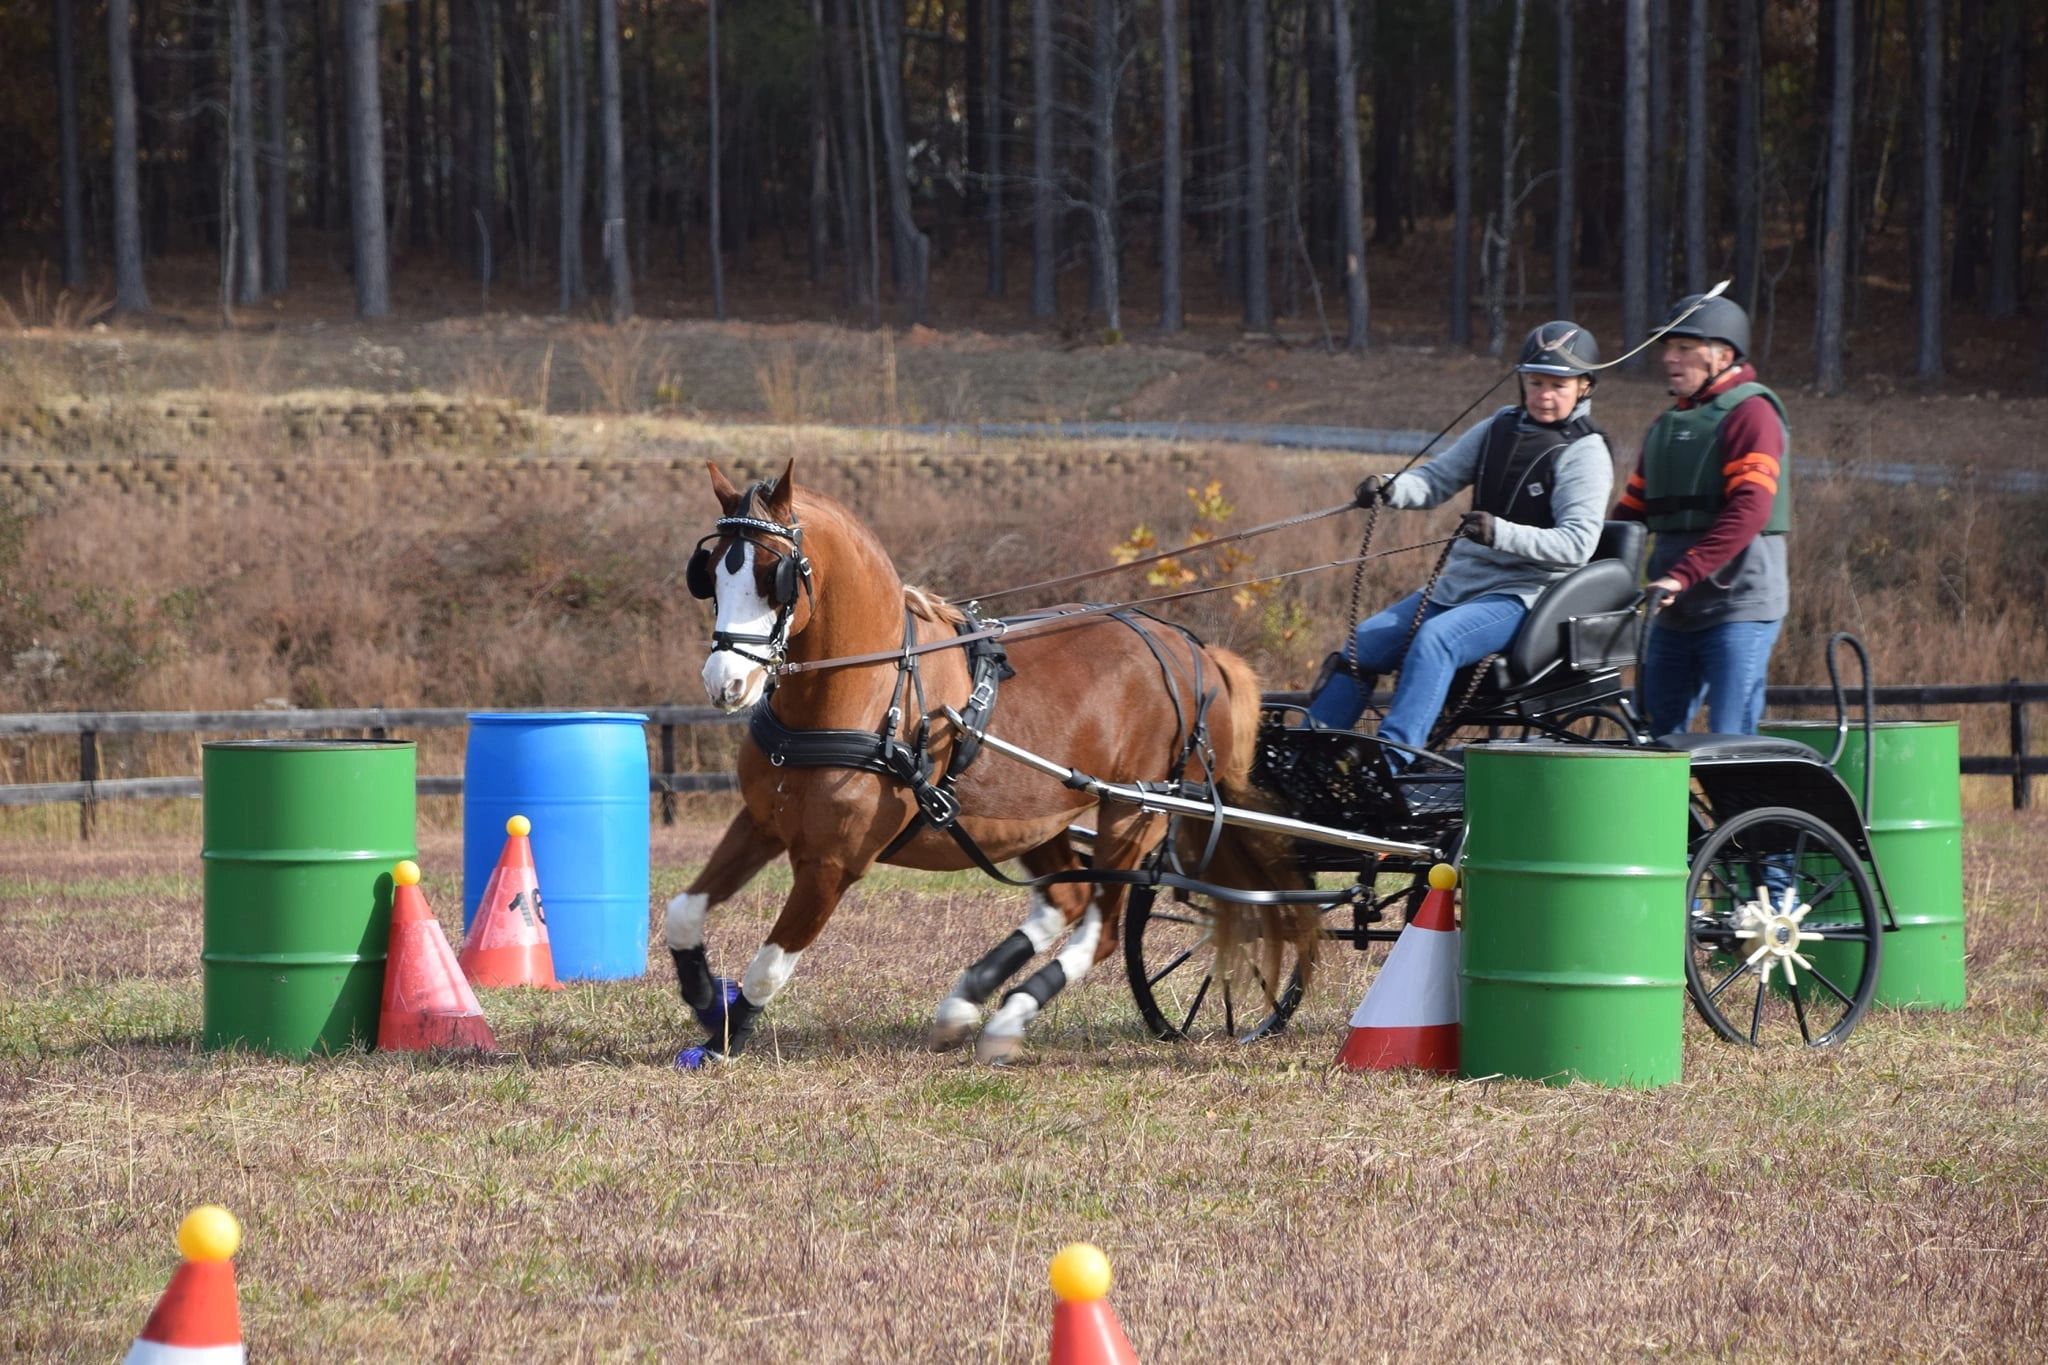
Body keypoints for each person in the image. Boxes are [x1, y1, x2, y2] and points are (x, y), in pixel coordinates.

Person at [1307, 321, 1614, 763]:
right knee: (1365, 642)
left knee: (1436, 640)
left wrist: (1500, 532)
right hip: (1462, 585)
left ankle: (1394, 762)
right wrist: (1389, 488)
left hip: (1526, 596)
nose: (1545, 395)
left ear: (1584, 386)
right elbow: (1435, 480)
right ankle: (1309, 751)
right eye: (1536, 382)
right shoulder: (1497, 428)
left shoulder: (1585, 453)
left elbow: (1578, 544)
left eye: (1558, 385)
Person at [1613, 295, 1789, 736]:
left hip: (1739, 606)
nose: (1669, 358)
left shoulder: (1752, 414)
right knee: (1656, 738)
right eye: (1667, 347)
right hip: (1675, 610)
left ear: (1723, 355)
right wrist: (1579, 568)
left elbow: (1750, 509)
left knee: (1731, 736)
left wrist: (1681, 574)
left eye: (1685, 348)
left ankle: (1745, 809)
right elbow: (1629, 515)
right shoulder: (1666, 427)